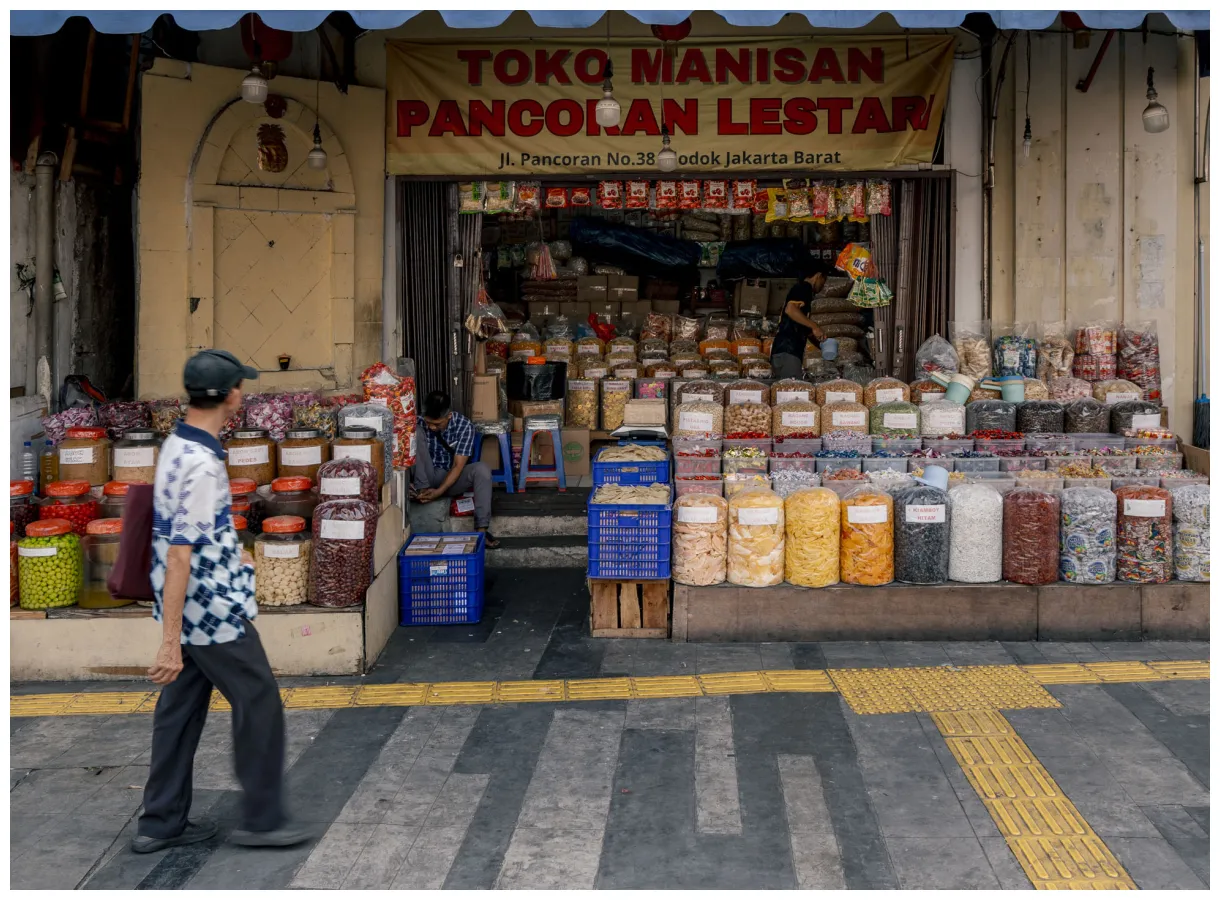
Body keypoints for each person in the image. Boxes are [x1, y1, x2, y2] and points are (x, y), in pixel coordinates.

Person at [133, 349, 311, 854]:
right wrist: (171, 642)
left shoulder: (177, 444)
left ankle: (160, 823)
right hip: (210, 613)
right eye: (241, 387)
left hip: (192, 603)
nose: (244, 394)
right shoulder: (203, 463)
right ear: (231, 395)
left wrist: (235, 557)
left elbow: (188, 538)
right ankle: (263, 819)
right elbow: (180, 556)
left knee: (179, 711)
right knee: (259, 702)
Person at [413, 390, 499, 548]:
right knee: (414, 432)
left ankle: (481, 531)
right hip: (427, 478)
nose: (431, 427)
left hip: (452, 479)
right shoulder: (418, 423)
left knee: (482, 469)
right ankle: (423, 492)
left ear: (449, 416)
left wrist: (439, 492)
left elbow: (458, 465)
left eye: (437, 424)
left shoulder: (464, 426)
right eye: (429, 422)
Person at [769, 259, 830, 380]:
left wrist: (820, 340)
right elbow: (790, 309)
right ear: (818, 276)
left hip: (785, 350)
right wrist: (815, 326)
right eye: (824, 280)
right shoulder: (804, 288)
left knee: (785, 391)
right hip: (788, 350)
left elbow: (798, 323)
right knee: (791, 392)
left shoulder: (803, 290)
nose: (823, 285)